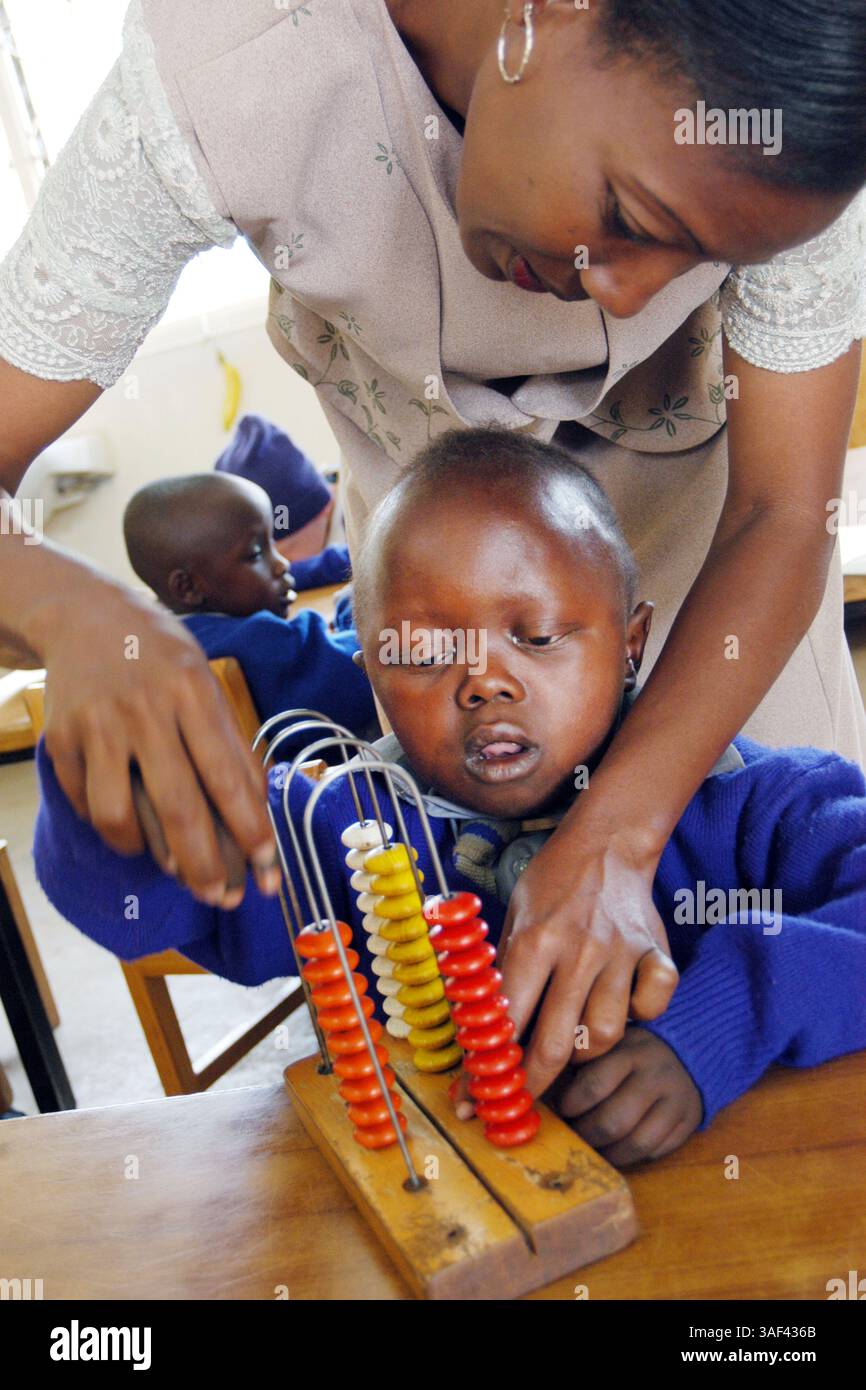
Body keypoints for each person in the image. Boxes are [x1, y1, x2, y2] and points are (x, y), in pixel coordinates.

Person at [3, 0, 866, 1049]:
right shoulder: (229, 60)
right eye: (631, 216)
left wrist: (627, 842)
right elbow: (141, 885)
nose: (636, 293)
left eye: (699, 265)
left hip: (721, 621)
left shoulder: (754, 810)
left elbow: (781, 512)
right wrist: (80, 618)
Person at [33, 427, 866, 1167]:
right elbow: (139, 902)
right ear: (368, 668)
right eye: (423, 651)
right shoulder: (344, 834)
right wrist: (110, 787)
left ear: (631, 642)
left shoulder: (753, 802)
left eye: (535, 636)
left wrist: (719, 1026)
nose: (484, 681)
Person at [122, 471, 377, 752]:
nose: (281, 564)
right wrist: (353, 608)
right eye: (257, 553)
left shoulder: (155, 641)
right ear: (188, 588)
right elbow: (367, 671)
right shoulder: (257, 642)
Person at [213, 413, 352, 587]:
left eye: (285, 553)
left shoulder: (358, 511)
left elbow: (365, 560)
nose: (278, 565)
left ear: (324, 507)